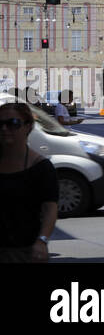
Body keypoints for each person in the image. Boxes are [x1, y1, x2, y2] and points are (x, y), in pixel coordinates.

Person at [0, 101, 57, 262]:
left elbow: (50, 208)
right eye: (0, 124)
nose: (4, 129)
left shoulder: (41, 168)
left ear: (28, 126)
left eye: (13, 123)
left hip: (23, 252)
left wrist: (42, 240)